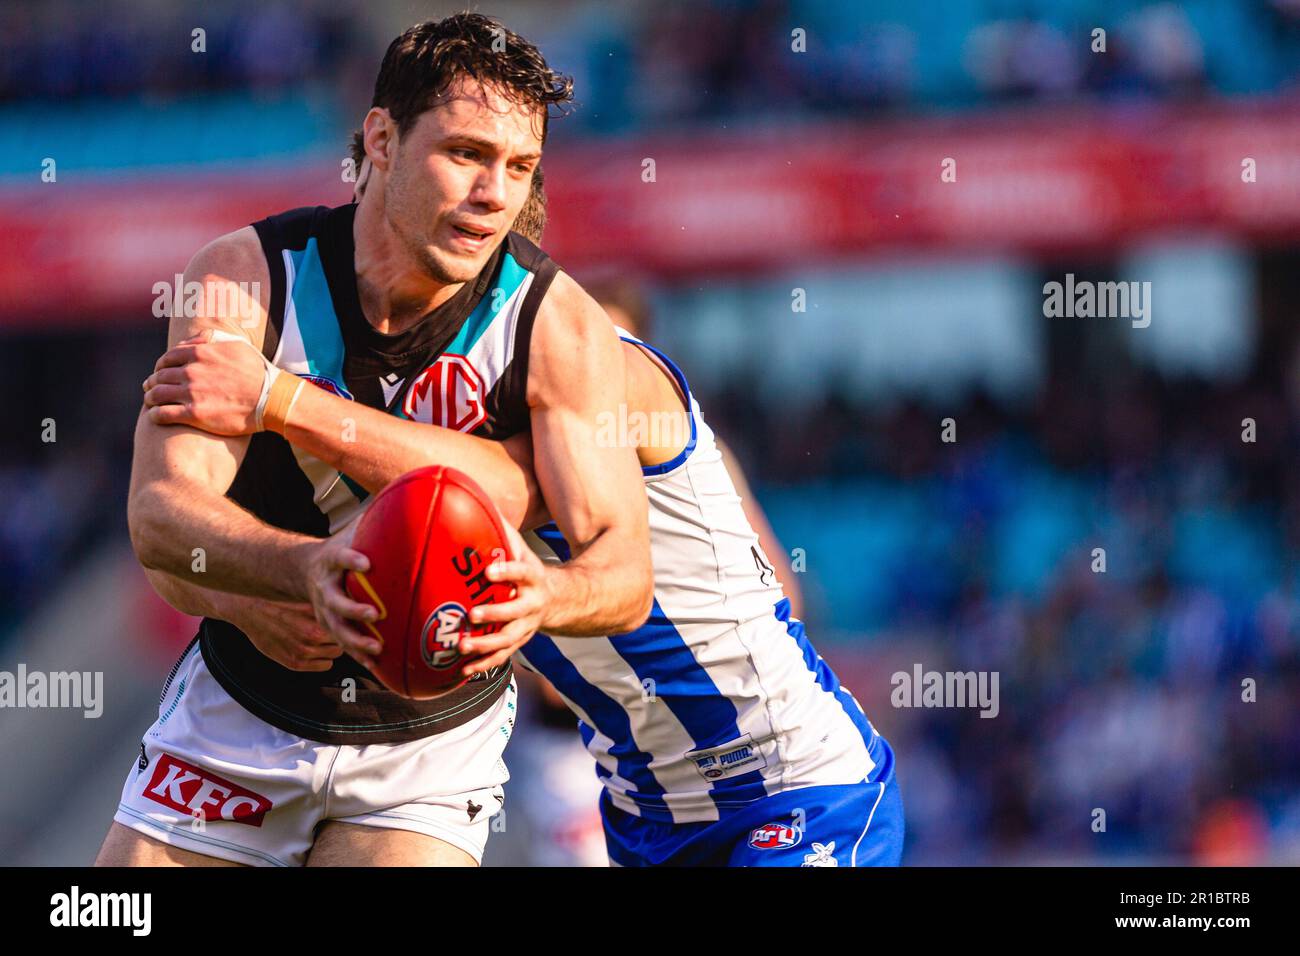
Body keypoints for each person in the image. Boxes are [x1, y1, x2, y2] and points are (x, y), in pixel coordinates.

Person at [97, 13, 653, 868]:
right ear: (382, 140)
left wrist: (546, 598)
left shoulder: (557, 323)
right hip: (238, 718)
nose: (495, 194)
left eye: (520, 167)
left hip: (427, 748)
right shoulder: (245, 279)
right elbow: (163, 519)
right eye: (466, 154)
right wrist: (296, 574)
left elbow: (623, 572)